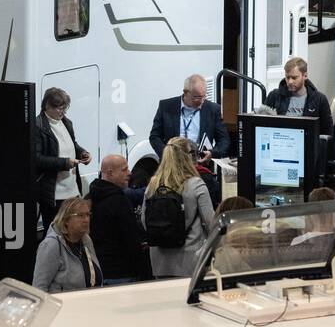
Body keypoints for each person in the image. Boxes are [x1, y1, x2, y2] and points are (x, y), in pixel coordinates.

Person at [141, 137, 214, 278]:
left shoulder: (153, 184)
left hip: (159, 261)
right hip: (190, 259)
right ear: (188, 156)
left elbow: (145, 221)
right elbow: (211, 223)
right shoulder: (196, 184)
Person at [33, 86, 90, 230]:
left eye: (65, 108)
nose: (63, 112)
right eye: (59, 108)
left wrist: (82, 153)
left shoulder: (66, 122)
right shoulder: (37, 126)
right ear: (47, 106)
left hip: (72, 189)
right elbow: (37, 159)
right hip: (53, 194)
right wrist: (65, 163)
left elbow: (72, 144)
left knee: (74, 230)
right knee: (55, 234)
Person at [86, 154, 146, 285]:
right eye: (124, 170)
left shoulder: (90, 197)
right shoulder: (119, 201)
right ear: (110, 173)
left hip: (99, 273)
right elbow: (131, 239)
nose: (129, 173)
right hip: (123, 273)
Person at [150, 74, 230, 160]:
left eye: (204, 96)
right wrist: (167, 155)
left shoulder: (213, 109)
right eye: (198, 97)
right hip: (172, 164)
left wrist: (212, 153)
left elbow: (224, 140)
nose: (202, 101)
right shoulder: (166, 106)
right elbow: (155, 136)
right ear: (185, 92)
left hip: (200, 164)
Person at [32, 197, 103, 293]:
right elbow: (39, 288)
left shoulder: (86, 240)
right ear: (66, 220)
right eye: (80, 215)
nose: (86, 220)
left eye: (88, 214)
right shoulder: (51, 245)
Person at [261, 57, 335, 141]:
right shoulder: (274, 96)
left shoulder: (319, 99)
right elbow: (262, 124)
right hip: (279, 143)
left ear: (305, 76)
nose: (290, 82)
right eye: (287, 77)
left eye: (294, 77)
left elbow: (328, 132)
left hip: (307, 146)